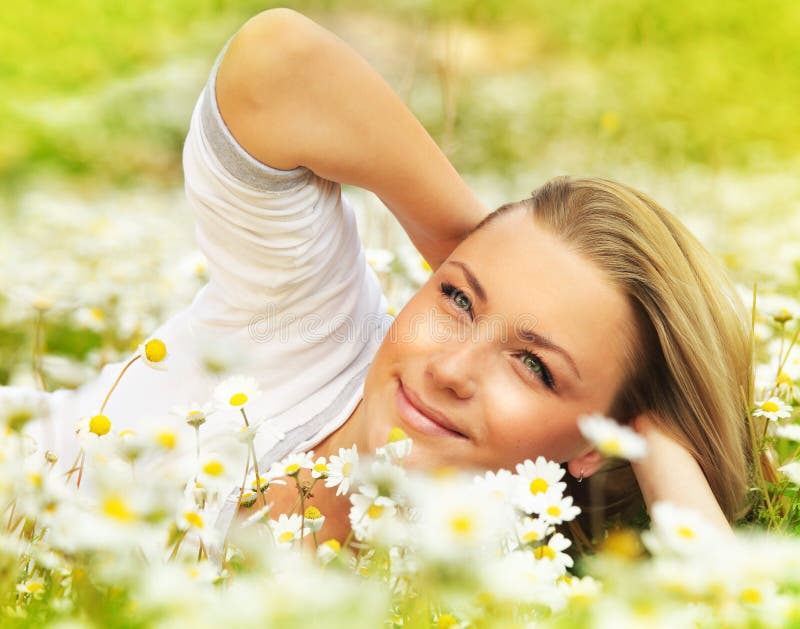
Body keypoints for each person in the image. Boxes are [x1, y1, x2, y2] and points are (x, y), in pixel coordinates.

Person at [15, 8, 752, 551]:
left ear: (594, 444)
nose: (451, 366)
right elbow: (276, 62)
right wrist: (481, 237)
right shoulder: (314, 330)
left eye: (534, 365)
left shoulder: (494, 586)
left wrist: (660, 449)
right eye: (456, 297)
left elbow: (726, 604)